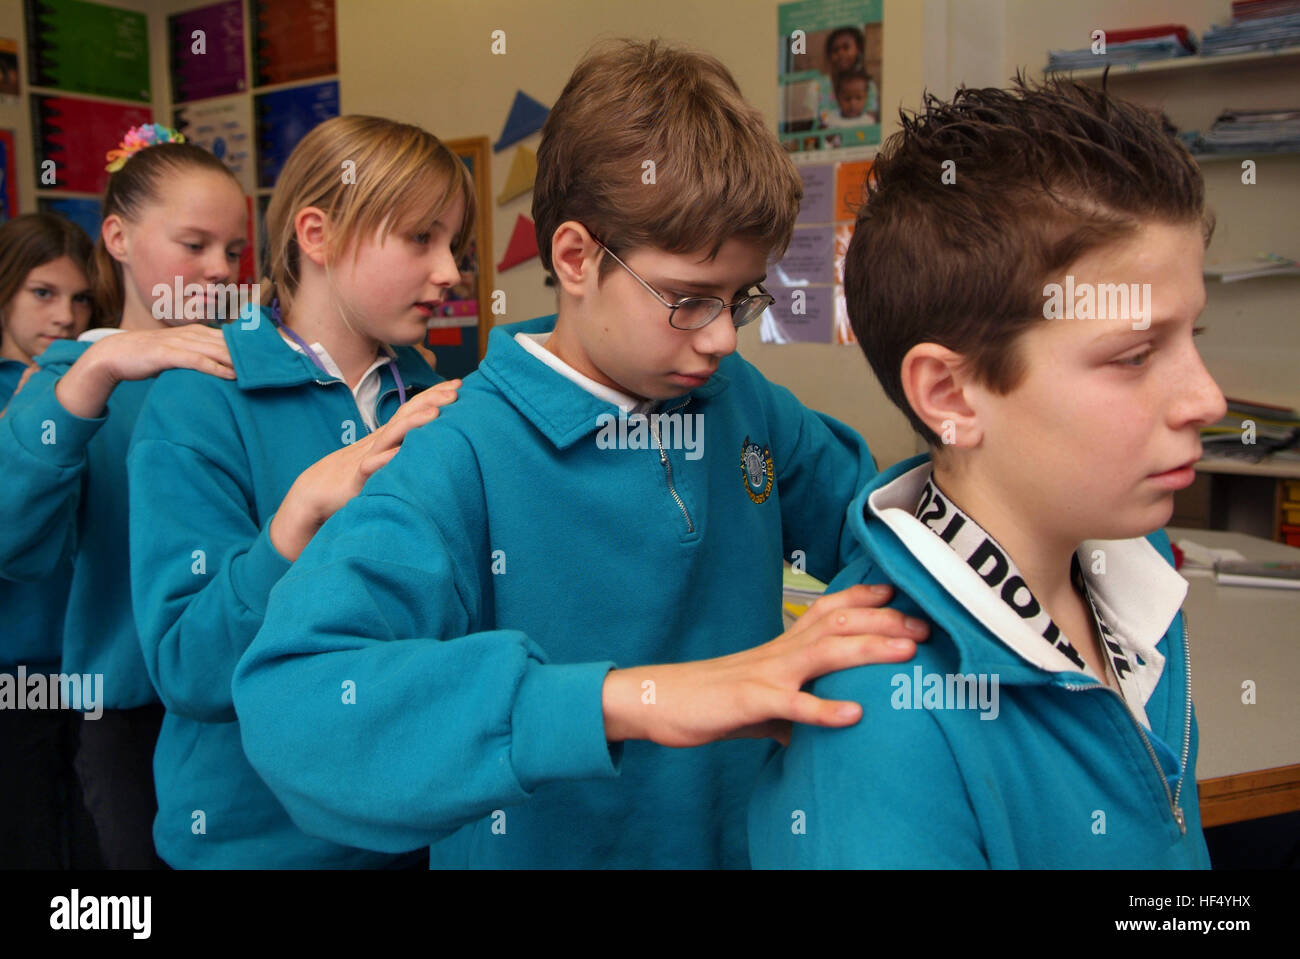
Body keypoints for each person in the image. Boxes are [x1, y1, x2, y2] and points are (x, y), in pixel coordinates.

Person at [232, 39, 926, 869]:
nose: (717, 339)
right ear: (574, 257)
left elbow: (885, 532)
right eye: (686, 300)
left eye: (738, 301)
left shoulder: (744, 404)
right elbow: (294, 704)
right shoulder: (459, 451)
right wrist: (622, 700)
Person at [748, 75, 1226, 868]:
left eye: (1191, 336)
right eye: (1136, 355)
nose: (1206, 397)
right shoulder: (880, 718)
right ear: (951, 394)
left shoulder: (1133, 592)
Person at [127, 116, 461, 868]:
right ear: (318, 233)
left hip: (414, 827)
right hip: (256, 846)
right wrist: (295, 519)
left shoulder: (435, 395)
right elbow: (186, 665)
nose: (449, 272)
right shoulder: (198, 403)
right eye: (420, 239)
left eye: (454, 246)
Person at [0, 125, 244, 868]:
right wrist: (95, 376)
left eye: (234, 251)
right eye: (194, 244)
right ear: (118, 236)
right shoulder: (70, 369)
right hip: (123, 710)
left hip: (229, 698)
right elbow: (12, 534)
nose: (218, 269)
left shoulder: (237, 369)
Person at [0, 212, 99, 868]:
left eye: (80, 297)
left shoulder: (99, 383)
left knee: (99, 855)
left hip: (93, 668)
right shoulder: (39, 393)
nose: (65, 315)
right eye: (44, 292)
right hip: (11, 671)